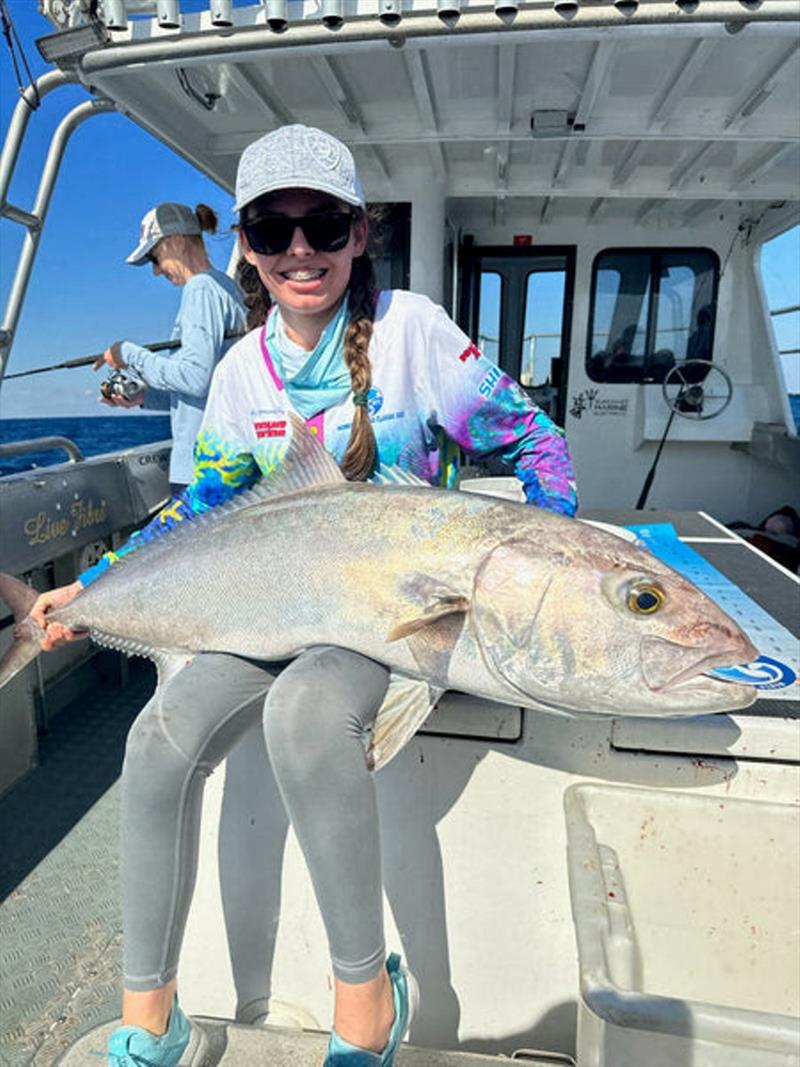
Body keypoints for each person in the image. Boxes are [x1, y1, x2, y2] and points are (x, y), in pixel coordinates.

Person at [31, 124, 578, 1067]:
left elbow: (541, 445)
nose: (299, 251)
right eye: (272, 230)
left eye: (322, 226)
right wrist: (84, 588)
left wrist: (539, 572)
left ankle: (365, 999)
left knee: (303, 712)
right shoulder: (244, 370)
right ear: (244, 243)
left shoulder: (415, 332)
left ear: (358, 234)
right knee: (153, 742)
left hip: (381, 621)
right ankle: (149, 1015)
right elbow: (203, 508)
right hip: (267, 606)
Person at [97, 201, 246, 492]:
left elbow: (194, 378)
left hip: (200, 470)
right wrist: (144, 397)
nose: (155, 271)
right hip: (226, 463)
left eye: (154, 257)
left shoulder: (200, 289)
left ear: (177, 242)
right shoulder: (228, 289)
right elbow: (209, 389)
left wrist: (127, 353)